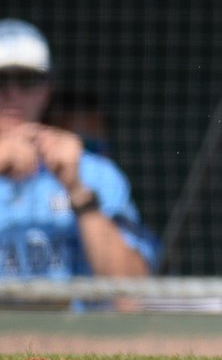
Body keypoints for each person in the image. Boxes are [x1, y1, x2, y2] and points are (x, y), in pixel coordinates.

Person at [0, 19, 159, 280]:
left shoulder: (93, 173)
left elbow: (130, 291)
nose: (12, 93)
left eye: (27, 80)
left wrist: (78, 191)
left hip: (72, 309)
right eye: (1, 80)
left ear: (46, 89)